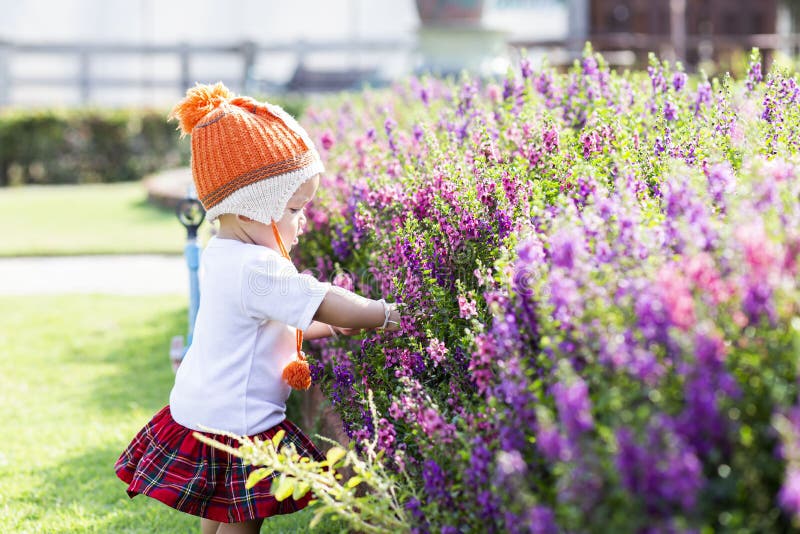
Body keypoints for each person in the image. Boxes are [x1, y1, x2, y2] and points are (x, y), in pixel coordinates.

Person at [115, 82, 401, 534]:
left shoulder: (224, 252)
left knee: (220, 507)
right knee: (244, 518)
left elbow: (270, 328)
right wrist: (385, 314)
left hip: (201, 408)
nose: (302, 220)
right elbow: (326, 300)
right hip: (239, 421)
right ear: (250, 211)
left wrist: (330, 329)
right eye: (293, 208)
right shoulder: (259, 269)